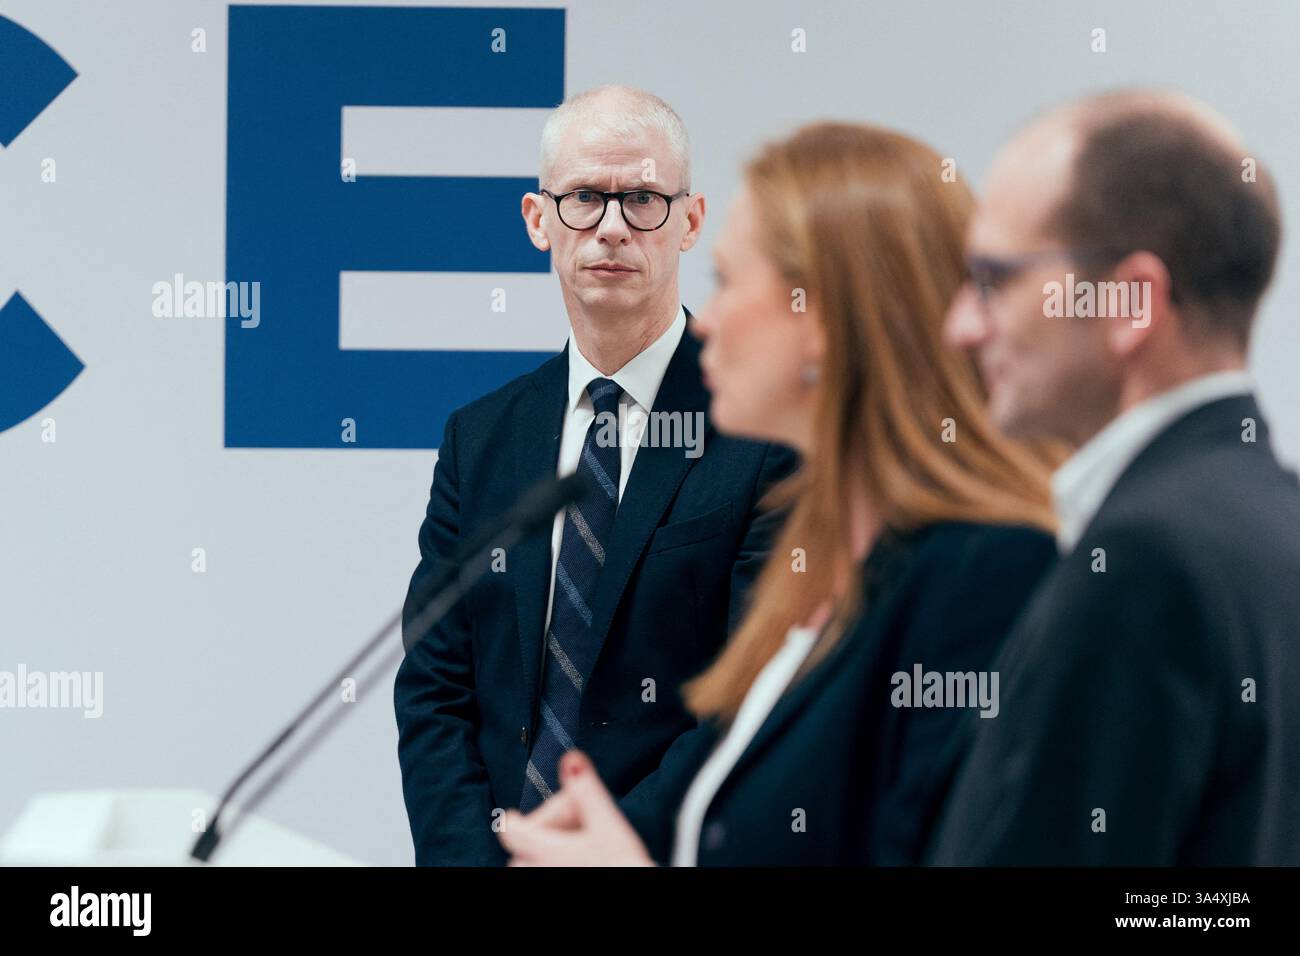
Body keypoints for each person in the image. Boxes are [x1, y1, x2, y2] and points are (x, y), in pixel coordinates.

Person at [498, 121, 1059, 866]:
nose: (712, 320)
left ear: (821, 315)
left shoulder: (988, 576)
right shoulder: (825, 570)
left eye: (729, 282)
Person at [394, 86, 795, 866]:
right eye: (584, 197)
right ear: (537, 219)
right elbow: (435, 688)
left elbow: (753, 696)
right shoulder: (481, 438)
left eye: (643, 197)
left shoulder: (760, 428)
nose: (612, 226)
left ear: (691, 220)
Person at [930, 89, 1298, 864]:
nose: (962, 325)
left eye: (995, 278)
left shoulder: (1144, 560)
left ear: (1131, 301)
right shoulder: (1271, 522)